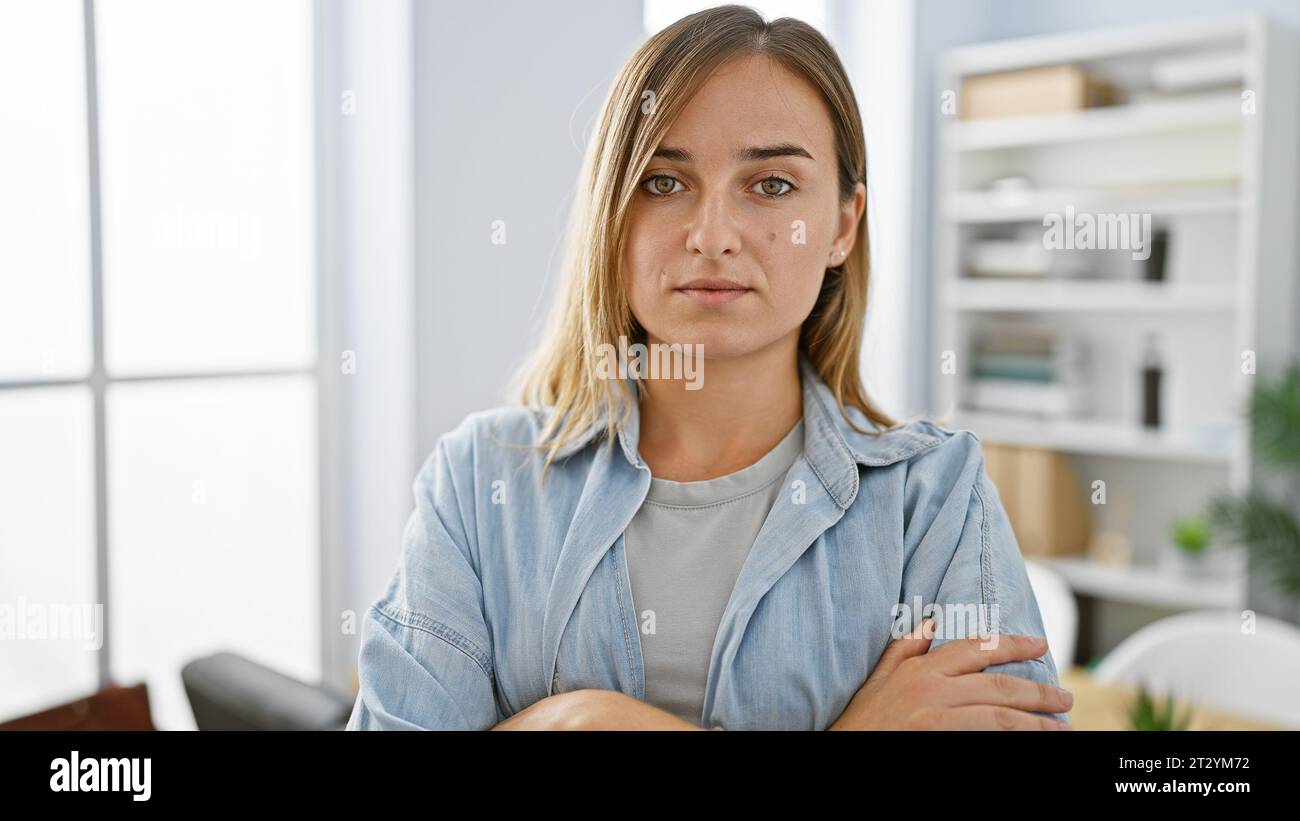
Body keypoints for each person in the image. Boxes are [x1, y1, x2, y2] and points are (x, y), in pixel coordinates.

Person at [346, 5, 1072, 731]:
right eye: (664, 182)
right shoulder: (479, 482)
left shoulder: (935, 498)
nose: (713, 236)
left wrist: (588, 723)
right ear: (612, 215)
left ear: (843, 226)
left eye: (772, 185)